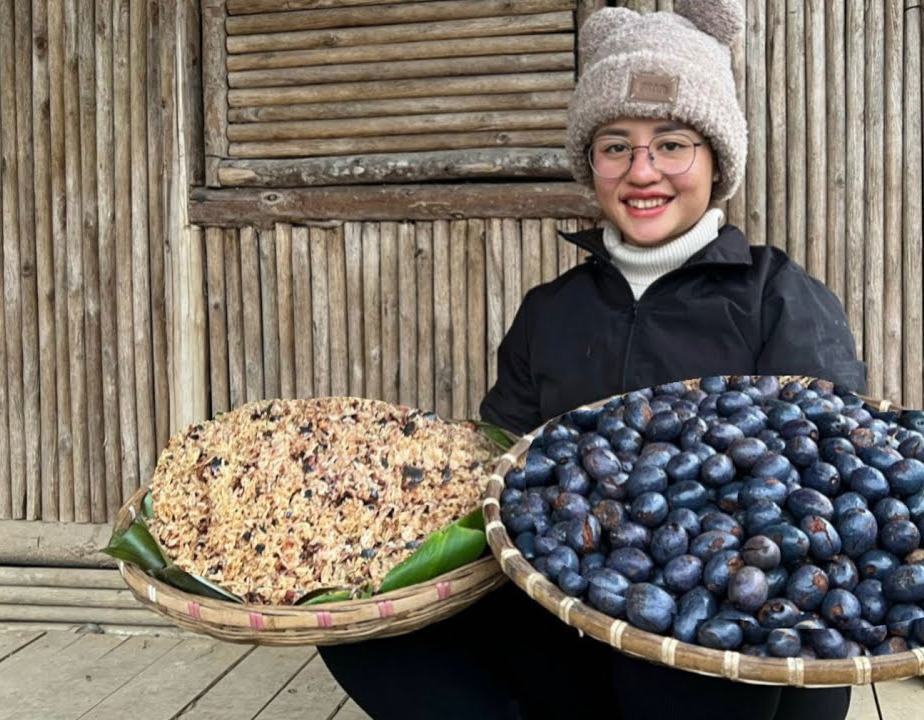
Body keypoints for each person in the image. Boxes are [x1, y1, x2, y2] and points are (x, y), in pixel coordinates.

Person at [321, 2, 864, 718]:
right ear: (591, 163)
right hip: (565, 603)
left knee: (667, 664)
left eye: (672, 144)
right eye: (616, 145)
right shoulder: (551, 310)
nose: (643, 172)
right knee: (365, 634)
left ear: (716, 159)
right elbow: (497, 462)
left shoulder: (780, 299)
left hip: (730, 637)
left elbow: (828, 479)